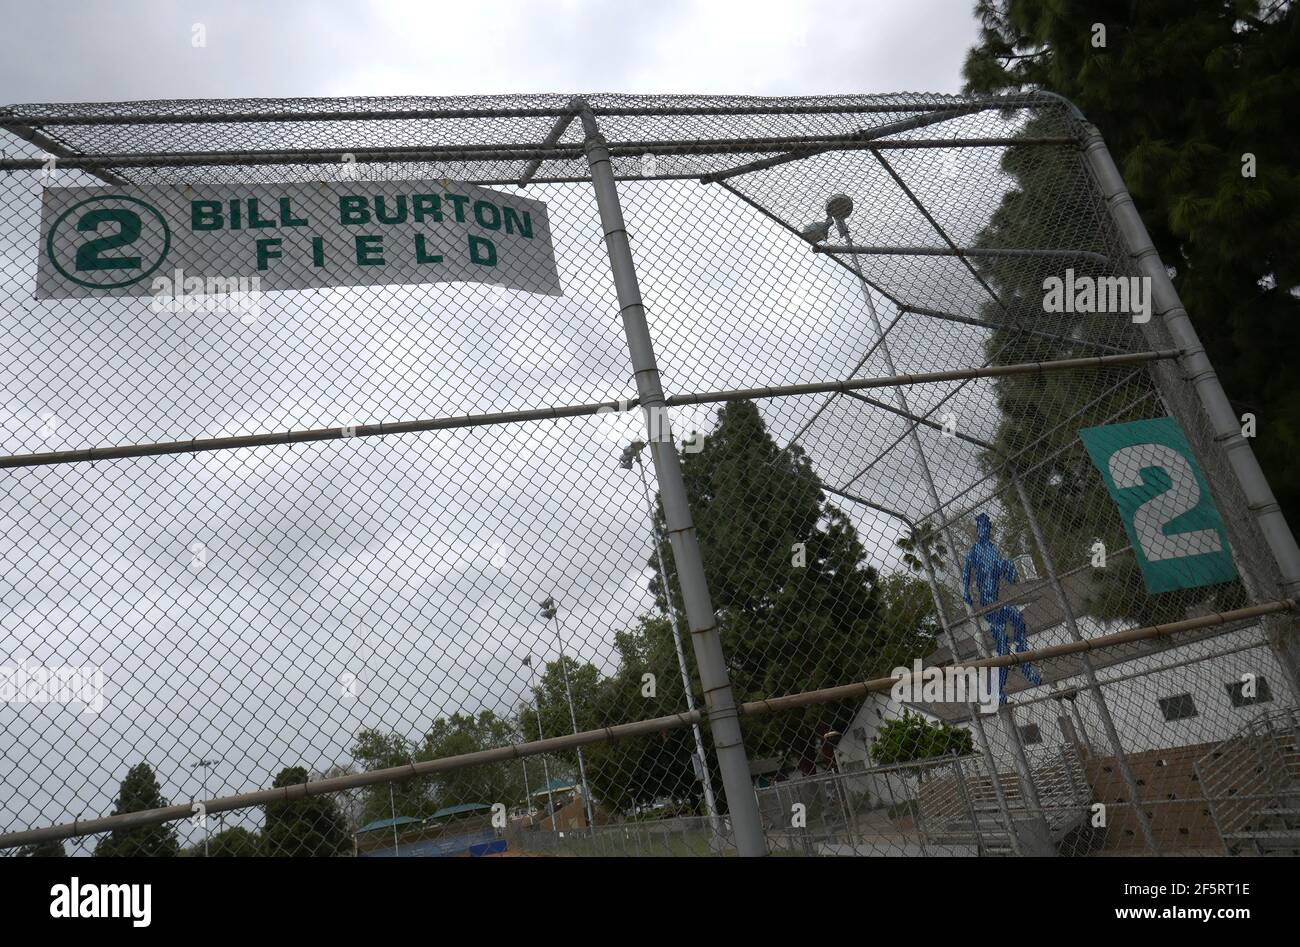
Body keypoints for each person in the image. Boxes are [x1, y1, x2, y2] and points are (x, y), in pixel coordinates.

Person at [962, 513, 1041, 701]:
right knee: (1003, 646)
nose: (985, 531)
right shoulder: (975, 551)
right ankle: (999, 688)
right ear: (978, 531)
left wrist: (1007, 567)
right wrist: (965, 592)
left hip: (998, 600)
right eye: (982, 528)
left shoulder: (993, 549)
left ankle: (1022, 658)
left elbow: (1008, 577)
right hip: (987, 602)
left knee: (1017, 622)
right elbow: (966, 573)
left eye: (987, 528)